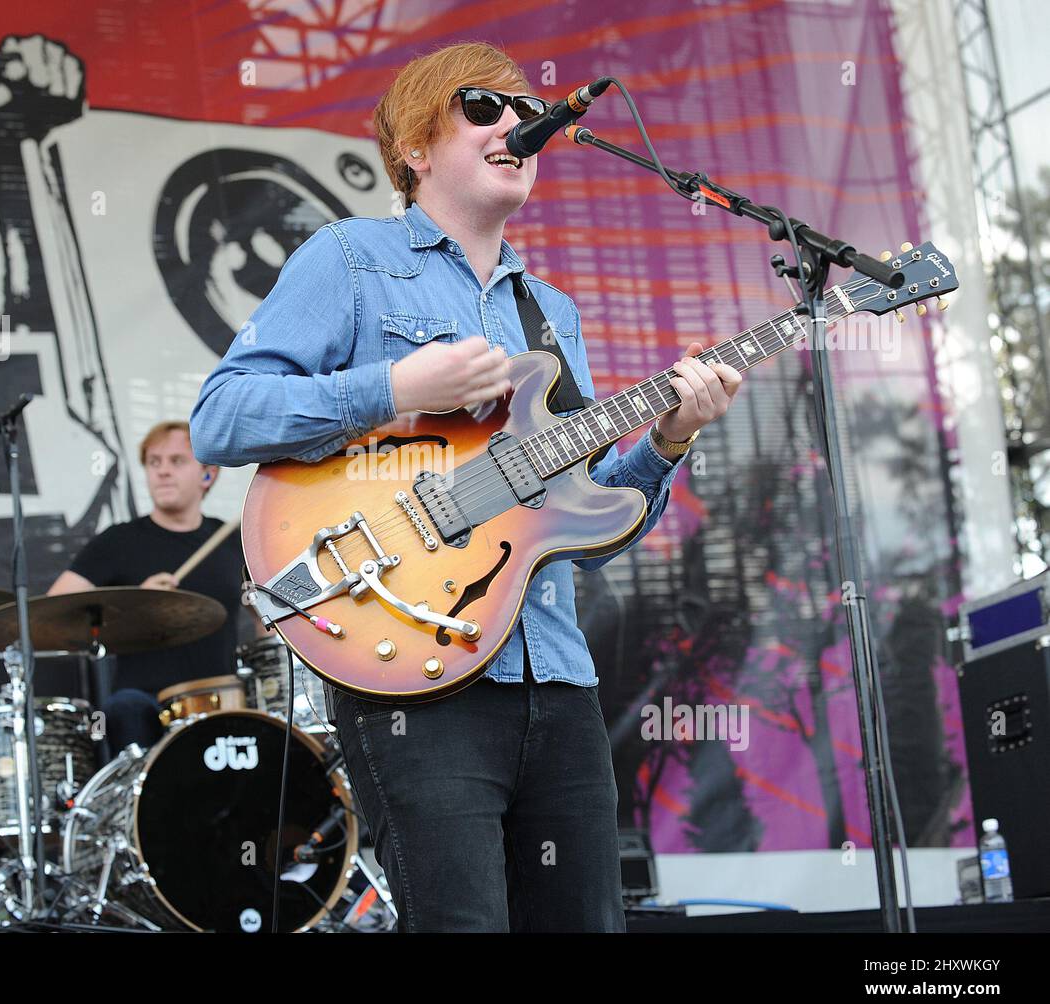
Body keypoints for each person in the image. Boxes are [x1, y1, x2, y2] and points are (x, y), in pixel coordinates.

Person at [189, 42, 741, 932]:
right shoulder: (351, 259)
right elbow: (221, 418)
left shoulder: (550, 313)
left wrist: (670, 440)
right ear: (414, 145)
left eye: (524, 111)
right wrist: (396, 389)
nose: (514, 123)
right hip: (415, 671)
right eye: (482, 107)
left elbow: (590, 523)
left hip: (555, 673)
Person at [49, 420, 246, 751]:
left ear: (208, 474)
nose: (163, 471)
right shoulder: (117, 541)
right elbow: (56, 611)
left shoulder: (231, 542)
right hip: (143, 704)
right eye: (154, 462)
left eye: (177, 461)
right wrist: (136, 605)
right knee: (124, 707)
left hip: (219, 698)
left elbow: (267, 622)